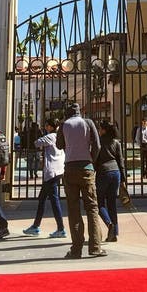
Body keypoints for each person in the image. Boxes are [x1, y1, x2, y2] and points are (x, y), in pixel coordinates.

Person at [56, 102, 106, 258]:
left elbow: (59, 145)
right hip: (86, 167)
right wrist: (91, 160)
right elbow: (97, 145)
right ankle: (95, 246)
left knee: (73, 209)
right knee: (92, 207)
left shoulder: (64, 125)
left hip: (70, 168)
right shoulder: (88, 122)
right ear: (79, 112)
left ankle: (76, 248)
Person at [22, 118, 67, 238]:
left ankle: (61, 228)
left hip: (51, 172)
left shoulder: (50, 136)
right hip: (59, 169)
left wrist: (38, 134)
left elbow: (37, 143)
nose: (45, 127)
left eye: (47, 125)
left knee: (53, 200)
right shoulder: (60, 136)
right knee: (42, 198)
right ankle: (36, 226)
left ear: (51, 127)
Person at [95, 120, 126, 242]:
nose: (99, 131)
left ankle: (109, 224)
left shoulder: (99, 142)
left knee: (99, 203)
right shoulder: (116, 143)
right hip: (116, 172)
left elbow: (95, 158)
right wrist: (123, 179)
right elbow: (121, 161)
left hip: (103, 172)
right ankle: (115, 233)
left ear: (104, 130)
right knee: (112, 203)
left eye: (100, 129)